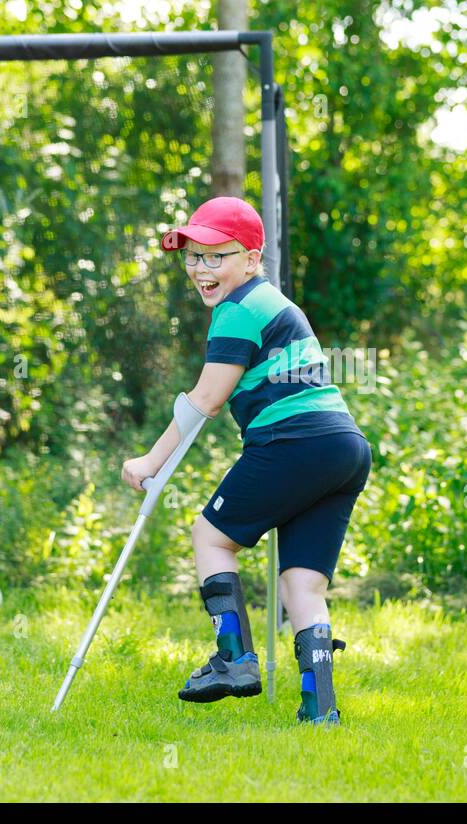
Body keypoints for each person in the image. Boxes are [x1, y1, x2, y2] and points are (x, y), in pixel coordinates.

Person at [121, 196, 371, 725]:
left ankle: (234, 660)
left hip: (293, 440)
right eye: (192, 256)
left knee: (210, 535)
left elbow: (207, 400)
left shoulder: (240, 309)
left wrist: (150, 461)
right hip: (343, 447)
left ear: (251, 260)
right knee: (302, 584)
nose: (200, 269)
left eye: (216, 256)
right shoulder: (268, 302)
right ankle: (319, 711)